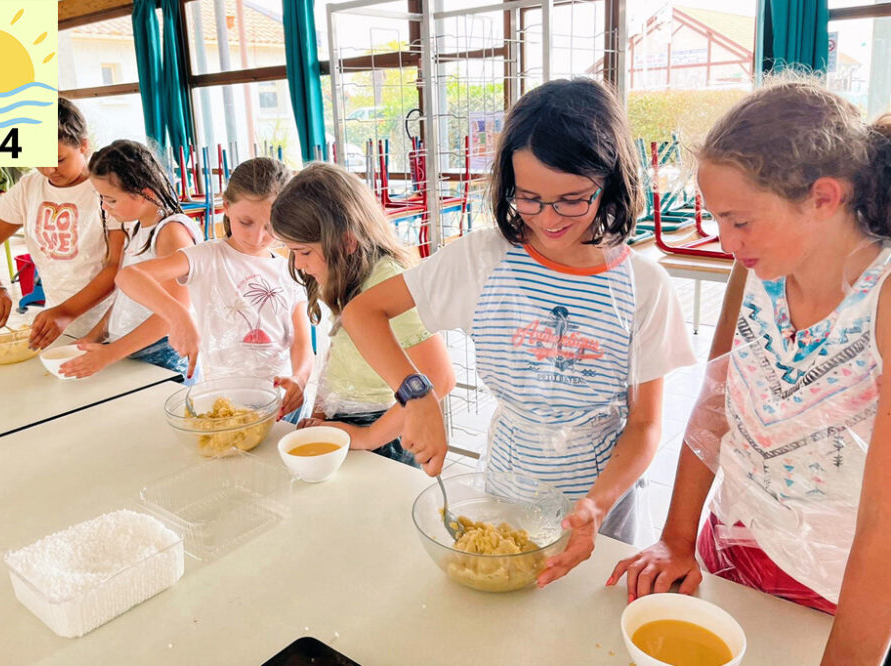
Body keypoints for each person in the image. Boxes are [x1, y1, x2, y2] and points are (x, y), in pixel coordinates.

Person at [340, 79, 694, 582]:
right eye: (529, 198)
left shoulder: (644, 287)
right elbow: (362, 313)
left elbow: (644, 425)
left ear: (611, 181)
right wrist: (416, 395)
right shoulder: (483, 260)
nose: (549, 219)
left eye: (572, 199)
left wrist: (595, 506)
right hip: (509, 490)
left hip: (601, 508)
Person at [609, 80, 891, 665]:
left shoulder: (883, 301)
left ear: (823, 198)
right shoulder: (757, 272)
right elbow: (716, 402)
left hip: (832, 589)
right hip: (729, 542)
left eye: (739, 221)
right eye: (718, 219)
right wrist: (677, 537)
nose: (726, 242)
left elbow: (882, 520)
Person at [270, 162, 456, 468]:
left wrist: (367, 437)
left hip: (385, 433)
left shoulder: (387, 281)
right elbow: (340, 352)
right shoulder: (347, 274)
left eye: (304, 252)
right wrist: (320, 412)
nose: (299, 264)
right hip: (345, 421)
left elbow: (440, 377)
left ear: (346, 241)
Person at [115, 157, 311, 419]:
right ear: (226, 207)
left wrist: (300, 378)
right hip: (226, 406)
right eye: (246, 222)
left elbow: (301, 342)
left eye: (270, 226)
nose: (257, 237)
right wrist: (178, 315)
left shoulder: (291, 269)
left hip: (283, 405)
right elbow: (128, 277)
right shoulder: (205, 257)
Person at [0, 97, 125, 349]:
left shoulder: (107, 188)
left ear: (84, 146)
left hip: (112, 327)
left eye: (59, 159)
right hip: (59, 328)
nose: (49, 169)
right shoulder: (29, 187)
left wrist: (66, 312)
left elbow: (118, 267)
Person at [57, 140, 199, 378]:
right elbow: (126, 299)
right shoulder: (140, 227)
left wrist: (110, 354)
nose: (105, 207)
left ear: (145, 193)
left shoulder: (171, 233)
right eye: (102, 198)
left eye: (111, 200)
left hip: (164, 360)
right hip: (136, 356)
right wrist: (91, 339)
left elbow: (173, 315)